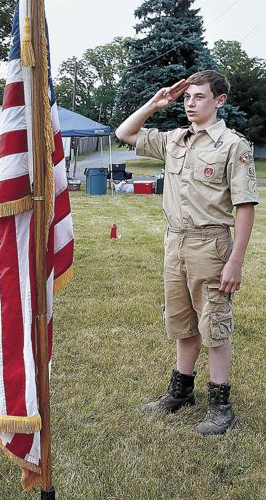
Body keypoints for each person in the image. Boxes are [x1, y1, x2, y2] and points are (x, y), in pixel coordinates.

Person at [115, 70, 258, 435]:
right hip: (174, 242)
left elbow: (245, 206)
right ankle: (180, 392)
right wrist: (155, 102)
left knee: (215, 325)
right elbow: (125, 133)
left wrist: (236, 261)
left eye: (199, 97)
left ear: (219, 101)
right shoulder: (175, 140)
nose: (190, 103)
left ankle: (221, 407)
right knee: (182, 323)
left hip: (210, 244)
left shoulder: (232, 145)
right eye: (187, 97)